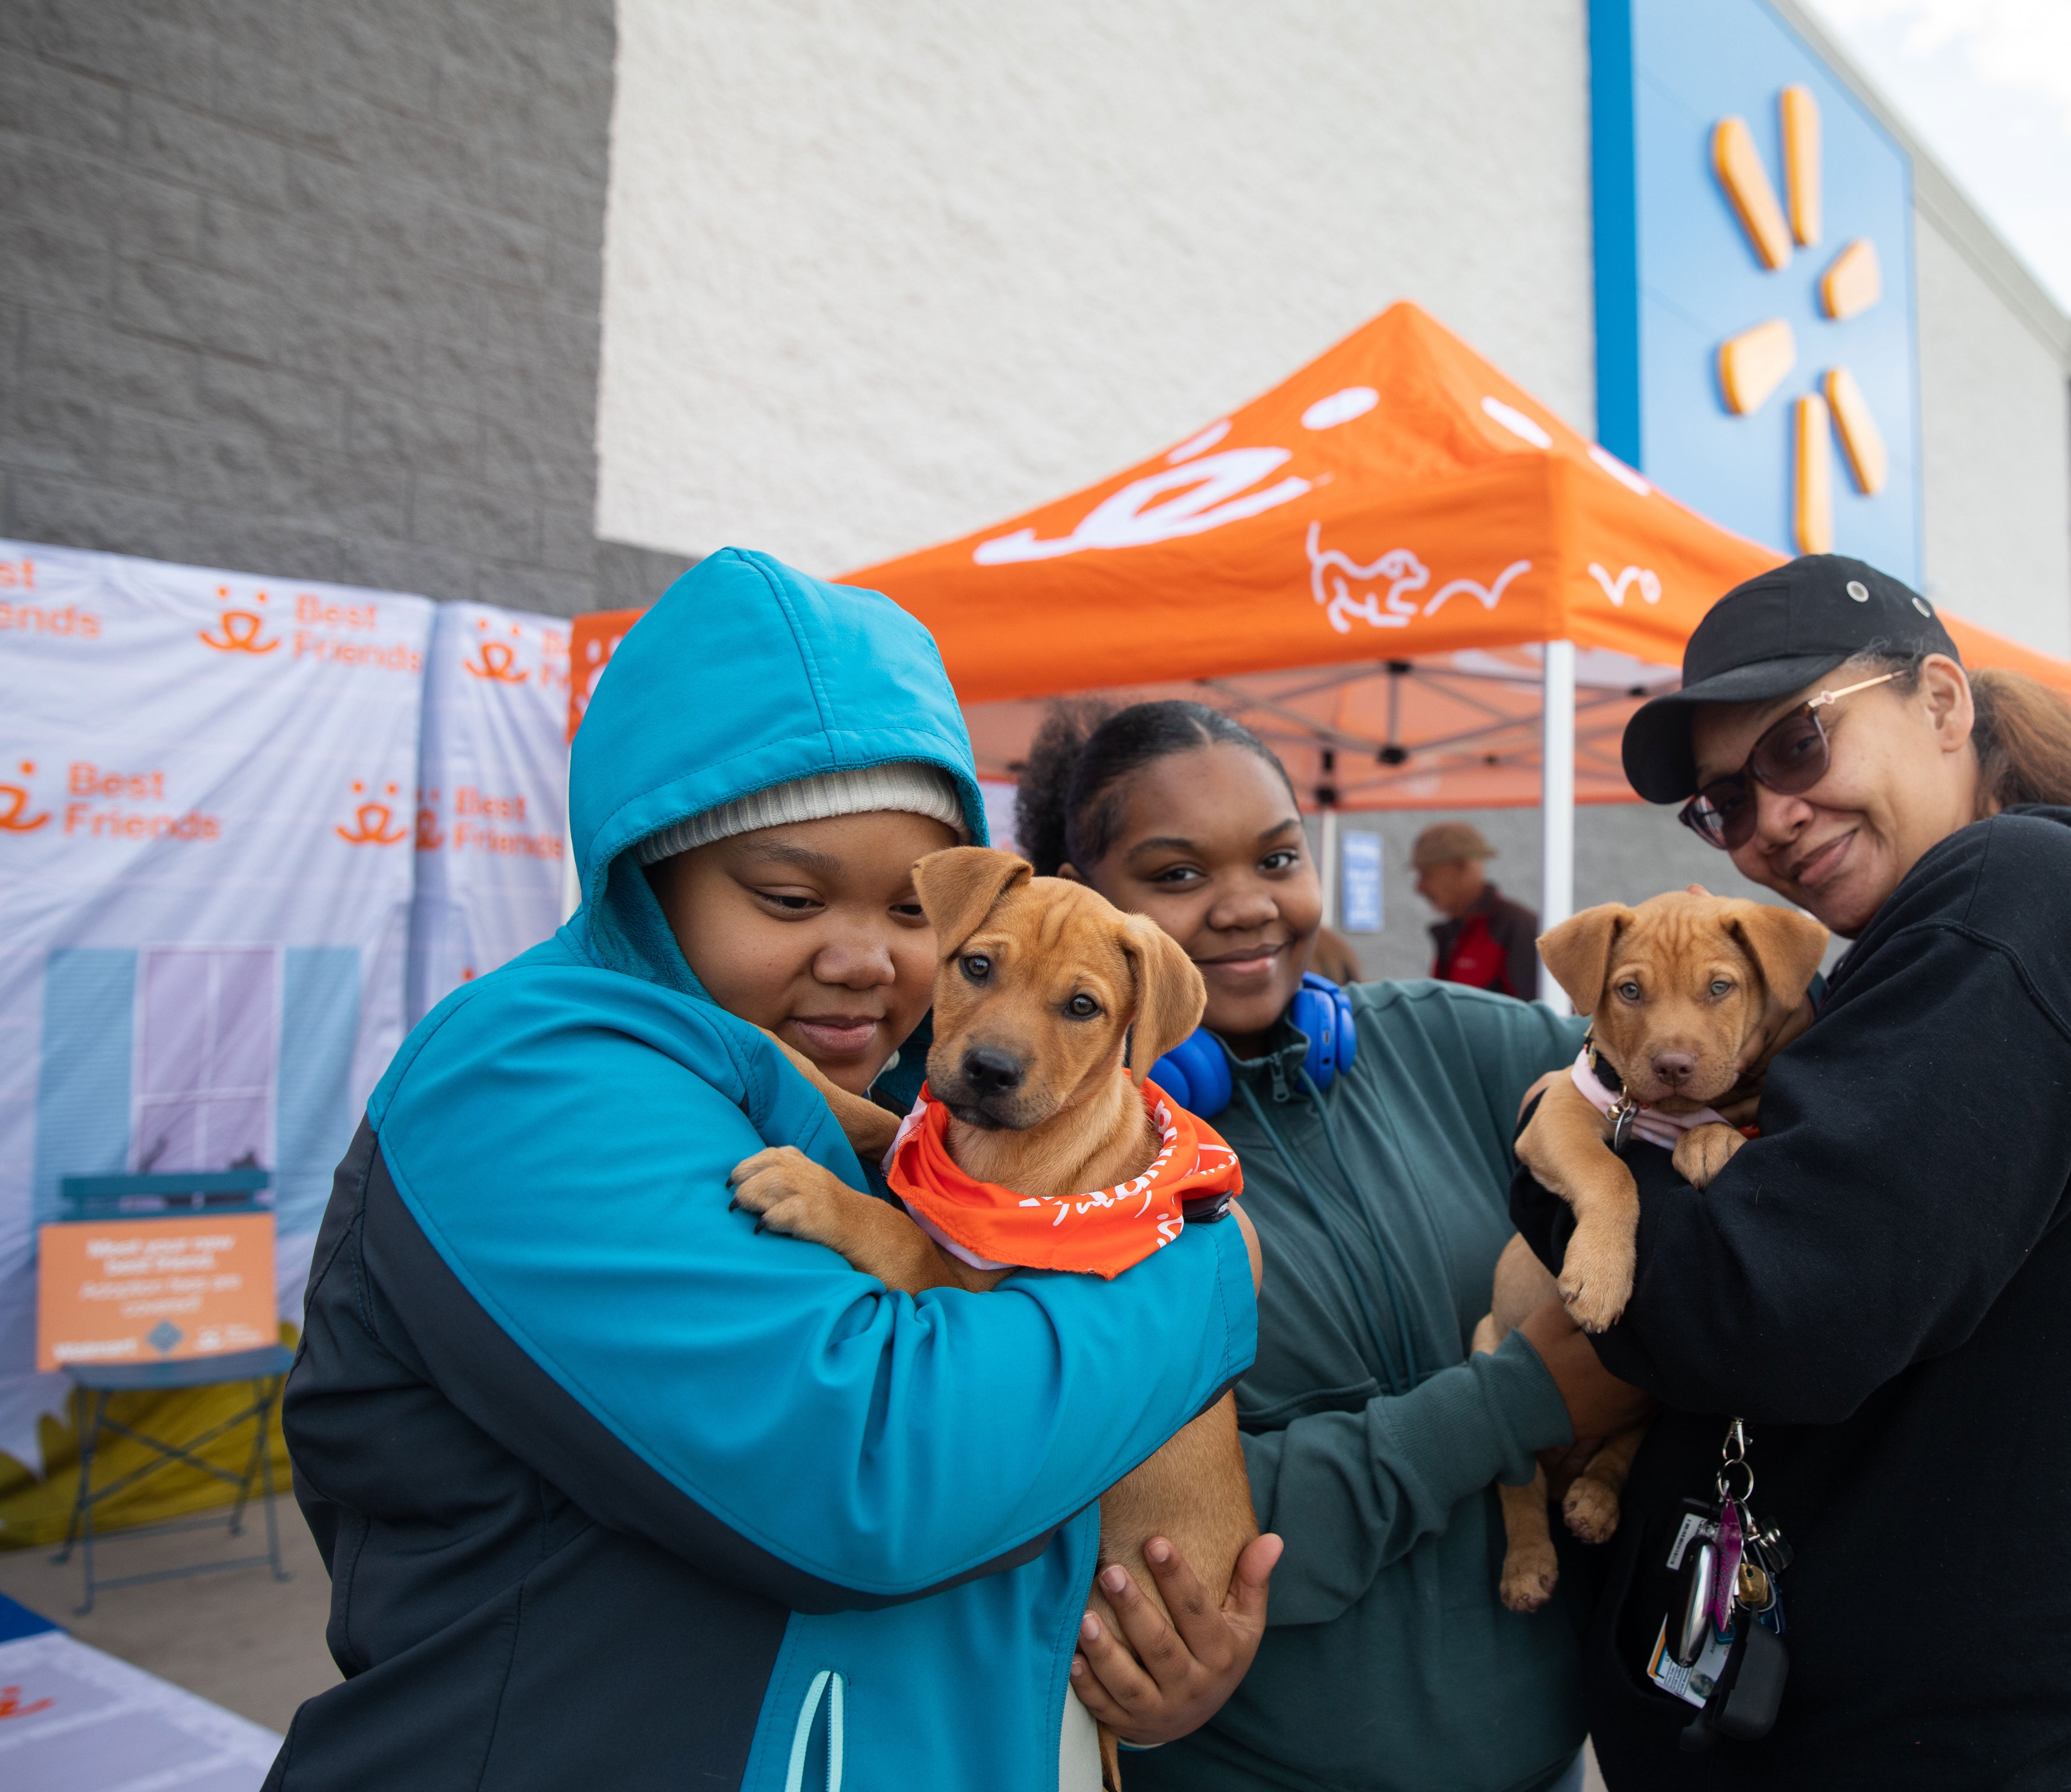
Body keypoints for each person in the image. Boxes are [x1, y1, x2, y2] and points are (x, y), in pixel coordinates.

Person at [271, 550, 1267, 1791]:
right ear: (650, 872)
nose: (865, 959)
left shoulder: (913, 1105)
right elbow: (876, 1473)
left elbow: (1036, 1475)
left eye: (913, 916)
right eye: (790, 898)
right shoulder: (526, 1081)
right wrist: (1202, 1255)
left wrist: (1148, 1678)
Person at [1512, 554, 2071, 1788]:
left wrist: (1554, 1137)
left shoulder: (2013, 901)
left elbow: (1765, 1309)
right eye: (1724, 806)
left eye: (1798, 747)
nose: (1771, 822)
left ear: (1944, 706)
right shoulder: (1956, 935)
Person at [1017, 700, 1642, 1792]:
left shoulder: (1454, 1042)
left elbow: (1708, 1078)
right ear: (1081, 897)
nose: (1248, 906)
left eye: (1277, 857)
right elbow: (1163, 1538)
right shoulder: (1048, 1172)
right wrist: (1524, 1399)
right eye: (1177, 876)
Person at [1413, 820, 1542, 998]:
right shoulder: (1455, 932)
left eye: (1427, 874)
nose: (1418, 887)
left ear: (1462, 867)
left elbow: (1542, 1017)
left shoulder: (1517, 927)